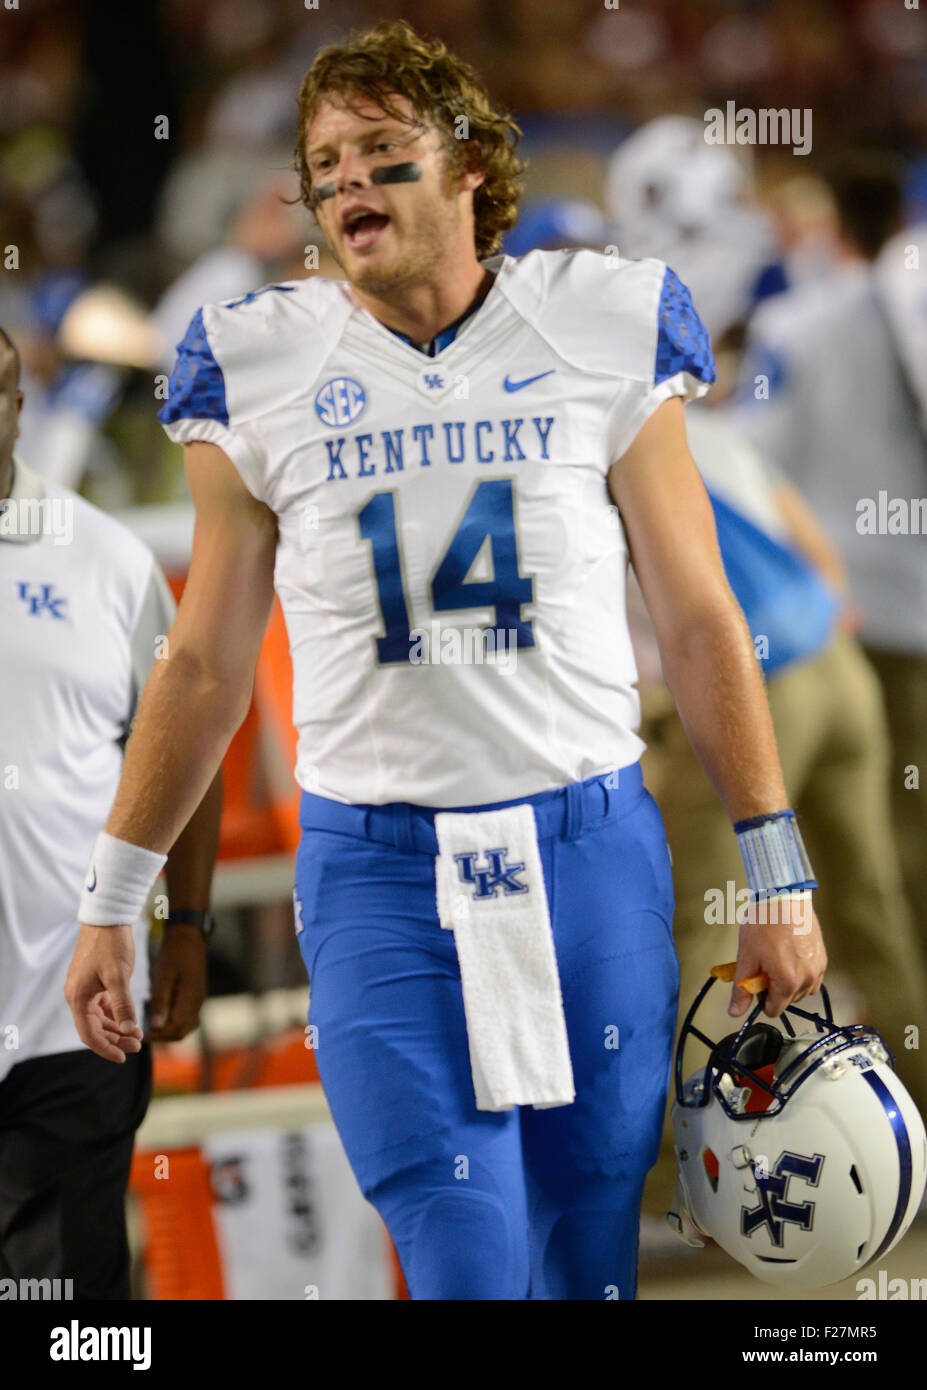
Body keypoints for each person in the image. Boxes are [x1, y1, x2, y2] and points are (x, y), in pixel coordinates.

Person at [64, 20, 826, 1301]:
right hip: (379, 873)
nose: (350, 180)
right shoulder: (258, 362)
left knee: (590, 1250)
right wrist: (122, 898)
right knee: (460, 1248)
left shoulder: (598, 321)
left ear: (471, 162)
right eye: (327, 161)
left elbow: (700, 616)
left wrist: (775, 864)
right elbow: (202, 663)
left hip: (589, 852)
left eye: (382, 149)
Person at [0, 326, 223, 1300]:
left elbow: (191, 751)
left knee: (72, 1303)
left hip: (71, 1013)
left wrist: (191, 924)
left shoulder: (105, 559)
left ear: (17, 409)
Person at [735, 152, 927, 952]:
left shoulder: (796, 325)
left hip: (842, 611)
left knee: (870, 855)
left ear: (835, 227)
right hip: (907, 601)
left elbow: (750, 458)